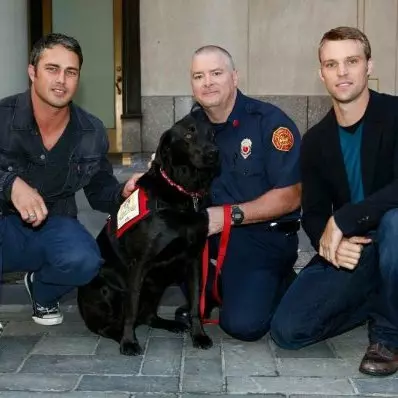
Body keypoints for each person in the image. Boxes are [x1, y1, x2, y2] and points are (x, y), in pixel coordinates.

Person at [270, 26, 398, 376]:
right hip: (359, 252)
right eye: (331, 64)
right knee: (288, 330)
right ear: (321, 73)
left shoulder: (395, 115)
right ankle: (379, 298)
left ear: (368, 66)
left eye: (351, 61)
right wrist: (332, 246)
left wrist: (343, 220)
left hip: (394, 240)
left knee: (395, 223)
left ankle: (388, 335)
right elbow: (312, 214)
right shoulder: (315, 141)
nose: (342, 72)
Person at [0, 33, 139, 327]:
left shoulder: (91, 131)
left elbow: (100, 190)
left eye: (71, 72)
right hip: (3, 223)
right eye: (52, 69)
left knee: (85, 261)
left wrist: (123, 193)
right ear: (32, 72)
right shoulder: (2, 116)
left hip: (54, 223)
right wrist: (10, 184)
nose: (61, 80)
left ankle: (42, 290)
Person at [175, 45, 302, 341]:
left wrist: (229, 216)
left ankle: (284, 282)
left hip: (262, 237)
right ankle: (216, 291)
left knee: (243, 326)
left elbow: (291, 195)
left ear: (235, 77)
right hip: (207, 233)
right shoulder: (189, 128)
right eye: (198, 76)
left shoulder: (269, 123)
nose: (207, 82)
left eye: (216, 73)